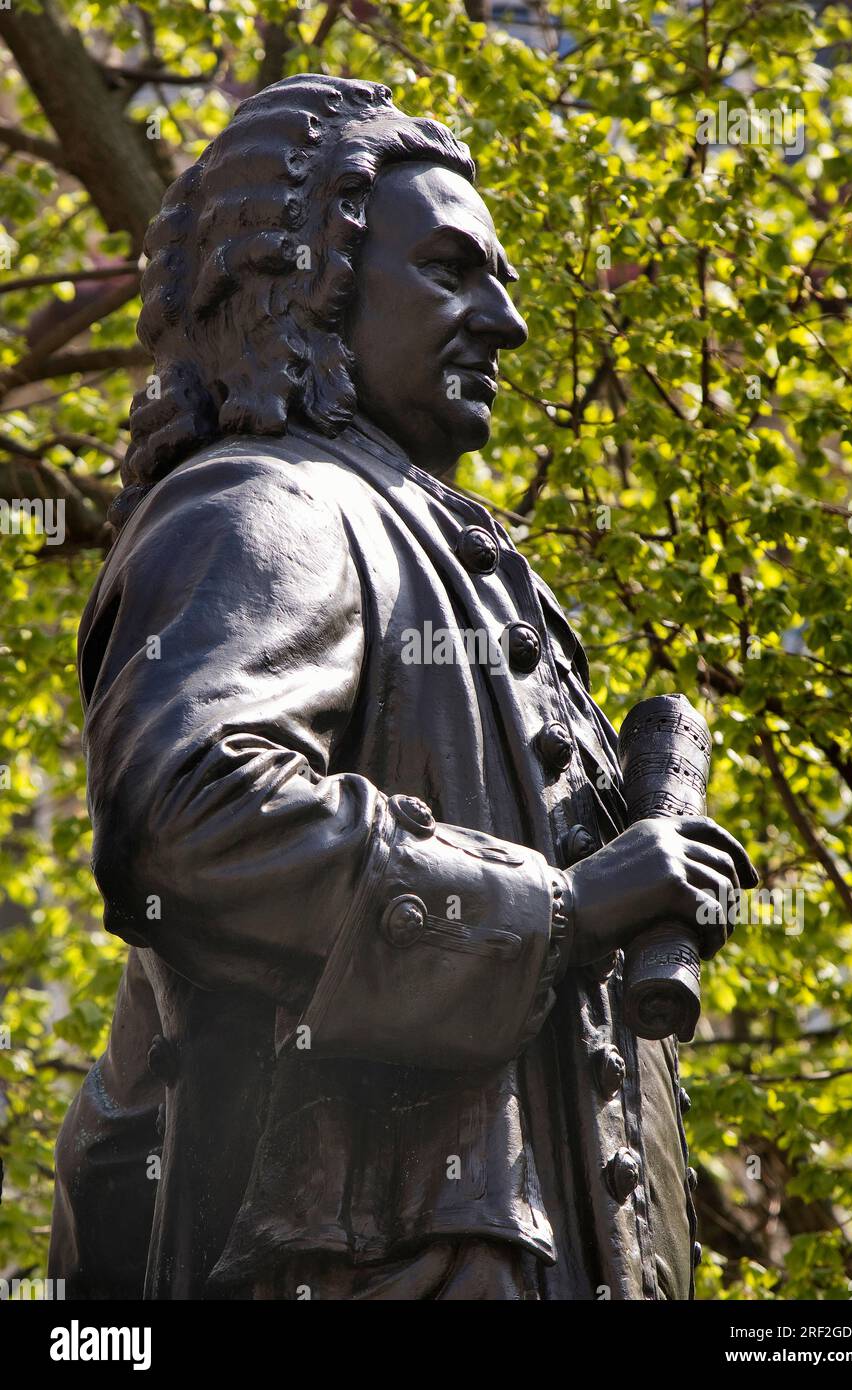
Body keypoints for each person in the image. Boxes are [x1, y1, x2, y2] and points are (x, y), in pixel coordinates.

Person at [50, 75, 756, 1301]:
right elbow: (192, 817)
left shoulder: (451, 553)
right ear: (309, 287)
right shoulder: (267, 506)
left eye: (502, 280)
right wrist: (562, 908)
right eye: (448, 272)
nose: (506, 323)